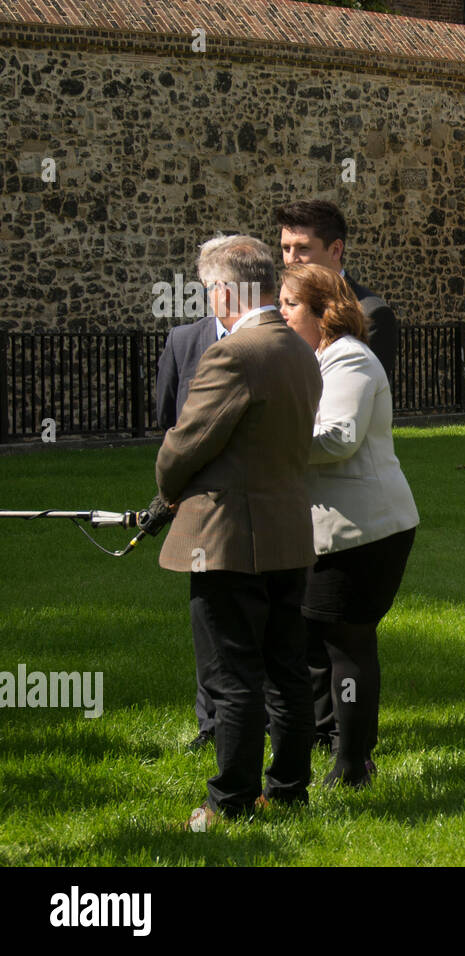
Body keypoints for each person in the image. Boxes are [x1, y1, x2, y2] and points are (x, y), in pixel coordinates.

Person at [155, 236, 323, 823]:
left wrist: (165, 490)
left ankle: (230, 802)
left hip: (226, 536)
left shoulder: (233, 354)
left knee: (232, 675)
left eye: (207, 291)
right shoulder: (302, 350)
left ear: (225, 290)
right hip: (287, 531)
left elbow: (184, 445)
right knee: (286, 671)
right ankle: (290, 789)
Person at [279, 262, 418, 787]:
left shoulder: (350, 358)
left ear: (322, 310)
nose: (281, 312)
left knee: (348, 643)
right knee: (327, 639)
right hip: (336, 530)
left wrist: (269, 444)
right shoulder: (319, 357)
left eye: (290, 304)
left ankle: (353, 765)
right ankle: (345, 753)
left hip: (365, 531)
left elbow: (338, 438)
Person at [156, 309, 224, 752]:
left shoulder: (276, 339)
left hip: (259, 503)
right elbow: (168, 417)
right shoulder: (184, 340)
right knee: (210, 621)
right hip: (200, 505)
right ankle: (212, 723)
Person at [274, 199, 398, 386]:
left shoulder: (369, 312)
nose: (291, 259)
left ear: (335, 250)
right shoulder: (283, 311)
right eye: (286, 248)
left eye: (303, 248)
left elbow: (361, 390)